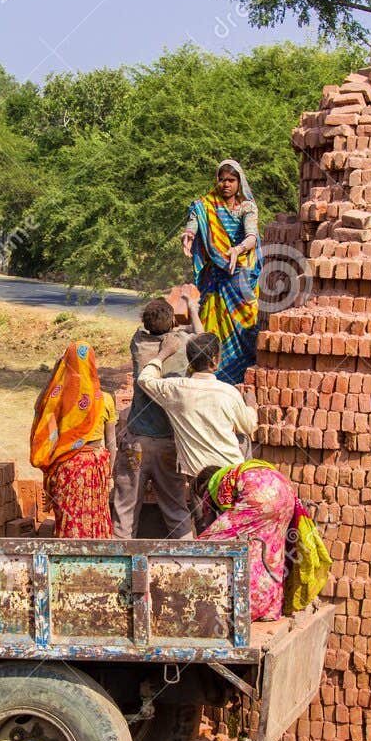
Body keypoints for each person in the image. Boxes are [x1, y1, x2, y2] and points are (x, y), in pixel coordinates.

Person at [192, 460, 330, 622]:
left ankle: (247, 608)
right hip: (285, 494)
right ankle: (269, 609)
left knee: (209, 541)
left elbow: (212, 527)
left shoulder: (212, 486)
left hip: (259, 495)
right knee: (272, 553)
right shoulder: (237, 472)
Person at [112, 294, 201, 538]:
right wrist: (192, 310)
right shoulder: (182, 344)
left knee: (125, 510)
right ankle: (188, 563)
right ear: (173, 322)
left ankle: (121, 563)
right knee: (176, 509)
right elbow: (202, 337)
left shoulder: (138, 342)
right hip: (168, 444)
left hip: (136, 442)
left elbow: (153, 330)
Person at [136, 331, 257, 480]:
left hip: (196, 474)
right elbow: (249, 427)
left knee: (200, 503)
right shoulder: (229, 393)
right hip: (228, 472)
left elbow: (144, 379)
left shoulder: (176, 389)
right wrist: (251, 405)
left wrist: (163, 354)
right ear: (214, 360)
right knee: (243, 440)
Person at [182, 159, 261, 385]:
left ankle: (244, 378)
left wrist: (237, 249)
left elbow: (252, 236)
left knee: (248, 322)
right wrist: (189, 234)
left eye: (231, 180)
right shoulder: (206, 205)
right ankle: (210, 375)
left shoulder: (247, 207)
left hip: (239, 276)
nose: (226, 184)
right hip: (216, 278)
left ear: (239, 183)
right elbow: (195, 221)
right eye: (222, 179)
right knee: (211, 324)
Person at [30, 340, 116, 538]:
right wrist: (109, 472)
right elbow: (112, 442)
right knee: (97, 514)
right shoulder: (104, 399)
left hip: (68, 465)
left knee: (70, 517)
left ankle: (67, 555)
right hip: (97, 464)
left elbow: (40, 408)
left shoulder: (58, 398)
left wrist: (54, 374)